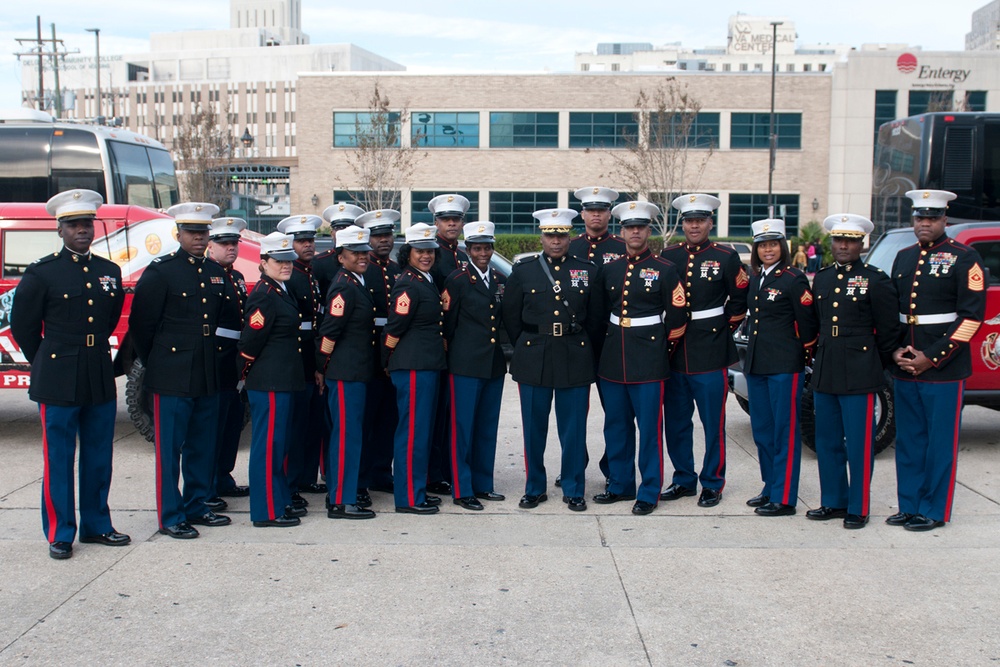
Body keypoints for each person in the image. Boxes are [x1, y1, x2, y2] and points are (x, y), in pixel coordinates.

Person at [11, 189, 130, 559]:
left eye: (87, 224)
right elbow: (23, 325)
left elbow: (109, 318)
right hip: (57, 375)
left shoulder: (109, 271)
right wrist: (46, 360)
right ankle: (60, 533)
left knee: (98, 455)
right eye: (74, 224)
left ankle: (97, 525)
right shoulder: (42, 272)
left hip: (97, 371)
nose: (82, 230)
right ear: (59, 229)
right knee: (59, 459)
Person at [129, 202, 231, 538]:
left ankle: (197, 505)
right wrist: (158, 363)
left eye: (203, 232)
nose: (199, 237)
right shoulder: (161, 272)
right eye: (191, 232)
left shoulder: (215, 272)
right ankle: (170, 515)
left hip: (206, 370)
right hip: (171, 373)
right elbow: (141, 326)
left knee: (202, 444)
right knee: (170, 449)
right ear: (178, 234)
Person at [888, 190, 986, 532]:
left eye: (932, 217)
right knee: (909, 440)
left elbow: (971, 318)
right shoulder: (903, 257)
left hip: (944, 368)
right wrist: (895, 350)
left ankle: (933, 510)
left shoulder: (965, 257)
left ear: (945, 219)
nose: (925, 223)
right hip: (906, 364)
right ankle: (909, 505)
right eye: (920, 217)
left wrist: (931, 358)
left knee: (939, 443)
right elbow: (894, 311)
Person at [503, 208, 604, 512]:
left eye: (561, 236)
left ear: (570, 237)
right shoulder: (524, 270)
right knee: (534, 428)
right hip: (534, 355)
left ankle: (573, 488)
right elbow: (511, 316)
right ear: (542, 237)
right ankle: (534, 488)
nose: (556, 241)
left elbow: (596, 318)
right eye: (550, 235)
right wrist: (529, 342)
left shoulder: (588, 270)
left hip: (574, 354)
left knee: (573, 429)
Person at [808, 214, 901, 529]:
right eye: (839, 239)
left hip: (860, 369)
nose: (843, 246)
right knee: (827, 440)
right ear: (831, 242)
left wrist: (877, 364)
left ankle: (858, 507)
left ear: (861, 244)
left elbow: (889, 330)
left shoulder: (876, 279)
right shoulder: (822, 278)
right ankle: (833, 501)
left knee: (859, 443)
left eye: (850, 240)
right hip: (826, 367)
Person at [594, 201, 686, 515]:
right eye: (629, 227)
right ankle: (620, 484)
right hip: (613, 358)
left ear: (648, 231)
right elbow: (600, 314)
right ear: (621, 231)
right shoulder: (610, 269)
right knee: (616, 426)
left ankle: (649, 491)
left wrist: (662, 352)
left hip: (649, 360)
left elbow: (677, 317)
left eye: (640, 227)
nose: (635, 232)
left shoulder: (665, 269)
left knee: (649, 430)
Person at [660, 194, 749, 508]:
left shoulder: (725, 256)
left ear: (711, 223)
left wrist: (722, 329)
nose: (694, 226)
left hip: (710, 349)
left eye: (700, 220)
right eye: (689, 221)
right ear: (682, 224)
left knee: (713, 423)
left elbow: (740, 300)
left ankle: (712, 482)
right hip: (674, 349)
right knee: (676, 422)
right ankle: (683, 479)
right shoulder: (669, 255)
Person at [742, 218, 818, 517]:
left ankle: (784, 497)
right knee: (762, 430)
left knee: (784, 431)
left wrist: (804, 357)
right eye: (762, 246)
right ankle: (770, 487)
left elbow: (808, 324)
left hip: (785, 365)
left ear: (782, 247)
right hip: (758, 364)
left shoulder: (793, 278)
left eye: (773, 244)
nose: (768, 250)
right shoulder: (756, 277)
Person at [238, 232, 306, 528]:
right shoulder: (264, 295)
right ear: (263, 262)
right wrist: (245, 372)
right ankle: (265, 510)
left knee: (279, 446)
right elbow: (250, 342)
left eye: (288, 259)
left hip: (282, 380)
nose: (286, 265)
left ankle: (279, 501)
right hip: (269, 382)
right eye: (279, 261)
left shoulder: (280, 290)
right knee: (268, 447)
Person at [442, 220, 507, 511]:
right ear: (467, 250)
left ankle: (483, 483)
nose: (483, 253)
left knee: (486, 427)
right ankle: (462, 488)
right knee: (462, 429)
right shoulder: (457, 279)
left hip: (493, 364)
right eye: (477, 248)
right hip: (465, 364)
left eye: (487, 248)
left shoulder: (498, 278)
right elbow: (448, 326)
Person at [383, 223, 448, 515]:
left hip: (426, 364)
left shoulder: (426, 279)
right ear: (408, 252)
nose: (426, 256)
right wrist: (387, 358)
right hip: (412, 366)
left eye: (430, 251)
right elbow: (394, 328)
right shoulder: (408, 283)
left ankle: (417, 489)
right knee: (412, 432)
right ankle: (408, 497)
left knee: (422, 432)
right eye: (420, 251)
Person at [567, 185, 627, 488]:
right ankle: (573, 467)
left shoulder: (622, 247)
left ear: (609, 214)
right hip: (575, 342)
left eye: (601, 210)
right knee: (574, 413)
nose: (596, 215)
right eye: (591, 210)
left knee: (615, 412)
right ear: (582, 214)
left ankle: (613, 468)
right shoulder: (570, 246)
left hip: (610, 341)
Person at [316, 225, 377, 520]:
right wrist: (322, 366)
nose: (362, 257)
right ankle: (341, 500)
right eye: (355, 252)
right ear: (341, 256)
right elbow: (329, 331)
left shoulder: (356, 281)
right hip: (345, 373)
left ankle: (343, 494)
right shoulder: (343, 286)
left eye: (365, 252)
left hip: (356, 371)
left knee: (351, 435)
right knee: (345, 436)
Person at [276, 214, 328, 505]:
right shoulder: (291, 275)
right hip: (296, 354)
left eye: (310, 240)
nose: (308, 245)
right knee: (294, 426)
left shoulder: (309, 273)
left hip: (312, 353)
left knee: (311, 423)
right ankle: (290, 483)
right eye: (301, 241)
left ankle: (306, 477)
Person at [427, 194, 471, 495]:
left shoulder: (463, 254)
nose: (452, 224)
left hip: (460, 343)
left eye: (456, 219)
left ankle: (444, 470)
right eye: (446, 219)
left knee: (449, 413)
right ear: (436, 222)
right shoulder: (432, 254)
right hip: (439, 343)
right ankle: (433, 473)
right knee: (435, 413)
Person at [205, 216, 250, 511]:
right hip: (216, 359)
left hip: (235, 359)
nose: (231, 248)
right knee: (213, 428)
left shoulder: (237, 276)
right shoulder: (205, 274)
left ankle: (223, 477)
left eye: (234, 243)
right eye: (225, 243)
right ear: (211, 246)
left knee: (232, 424)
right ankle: (208, 485)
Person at [357, 209, 402, 503]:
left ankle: (382, 472)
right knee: (365, 421)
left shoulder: (397, 269)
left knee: (389, 419)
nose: (383, 240)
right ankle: (360, 479)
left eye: (387, 235)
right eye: (377, 236)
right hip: (369, 353)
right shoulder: (363, 270)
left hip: (394, 353)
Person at [314, 202, 365, 300]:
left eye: (347, 229)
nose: (343, 233)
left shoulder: (364, 260)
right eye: (339, 229)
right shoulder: (319, 262)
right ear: (332, 233)